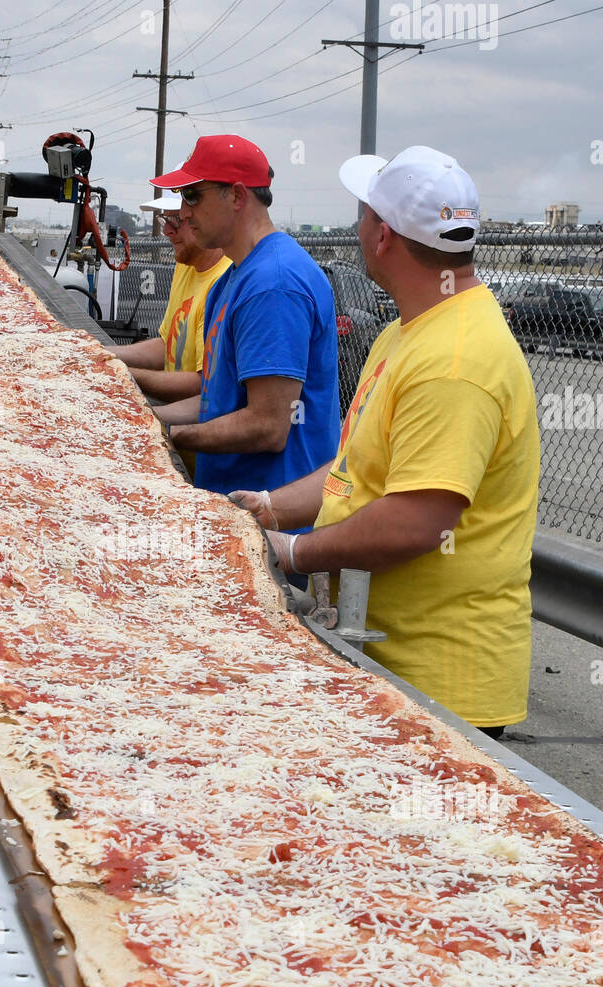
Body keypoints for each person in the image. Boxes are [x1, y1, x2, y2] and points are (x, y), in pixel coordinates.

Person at [233, 146, 540, 735]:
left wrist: (294, 552)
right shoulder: (414, 329)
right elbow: (359, 471)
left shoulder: (454, 359)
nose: (357, 226)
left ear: (382, 237)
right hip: (386, 659)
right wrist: (270, 508)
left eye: (365, 213)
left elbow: (415, 522)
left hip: (437, 682)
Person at [148, 136, 339, 501]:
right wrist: (144, 420)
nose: (182, 212)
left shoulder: (274, 284)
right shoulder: (233, 278)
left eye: (192, 196)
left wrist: (167, 435)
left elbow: (267, 426)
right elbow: (213, 399)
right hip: (235, 510)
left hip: (275, 526)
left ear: (236, 196)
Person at [109, 187, 229, 403]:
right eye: (166, 219)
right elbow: (167, 345)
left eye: (176, 220)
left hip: (195, 423)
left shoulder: (222, 285)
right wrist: (102, 352)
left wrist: (121, 373)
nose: (166, 231)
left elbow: (203, 386)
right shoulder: (186, 263)